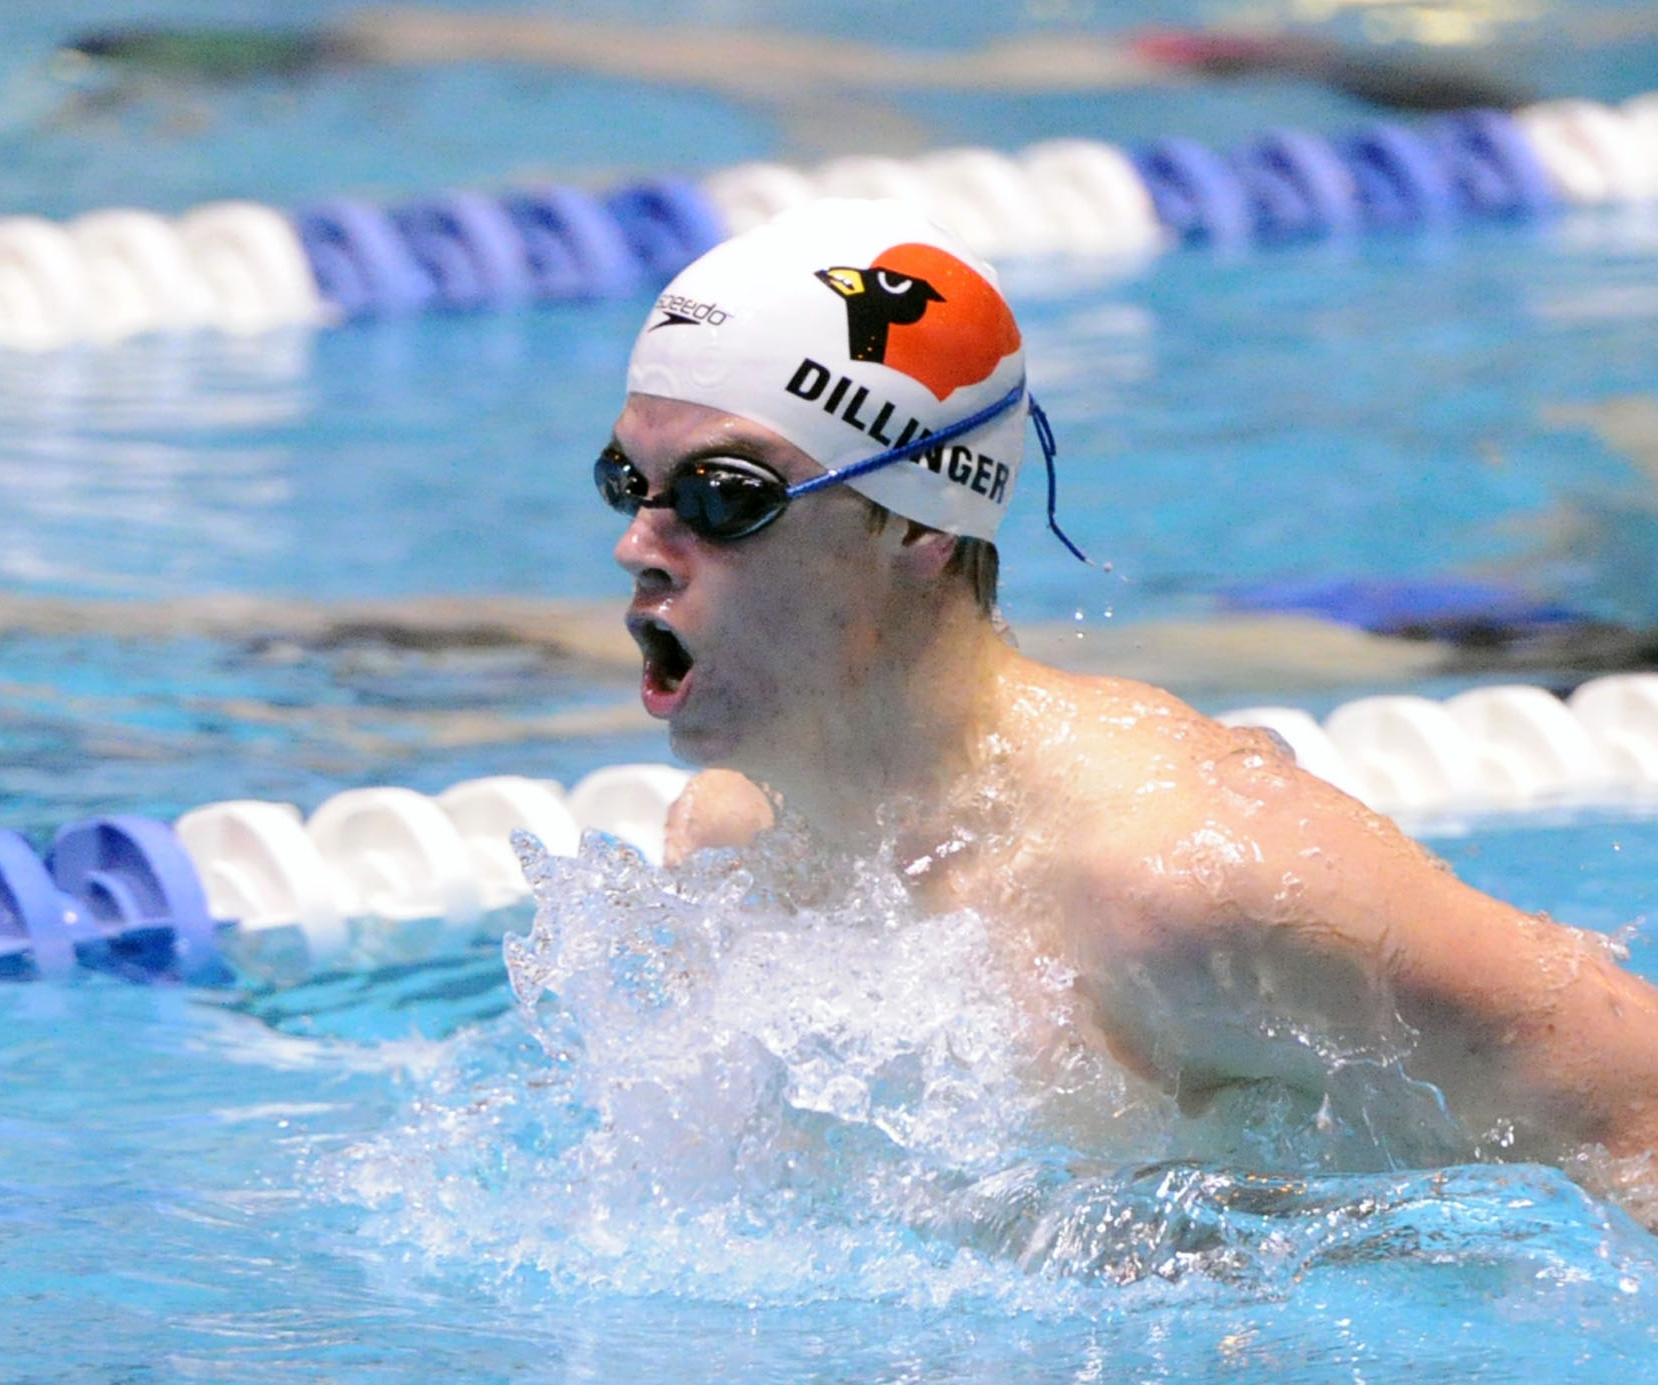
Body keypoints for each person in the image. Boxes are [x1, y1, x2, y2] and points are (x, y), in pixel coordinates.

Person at [598, 198, 1658, 1223]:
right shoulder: (731, 842)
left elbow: (1640, 1107)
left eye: (723, 495)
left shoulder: (1182, 880)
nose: (638, 544)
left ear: (918, 521)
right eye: (627, 481)